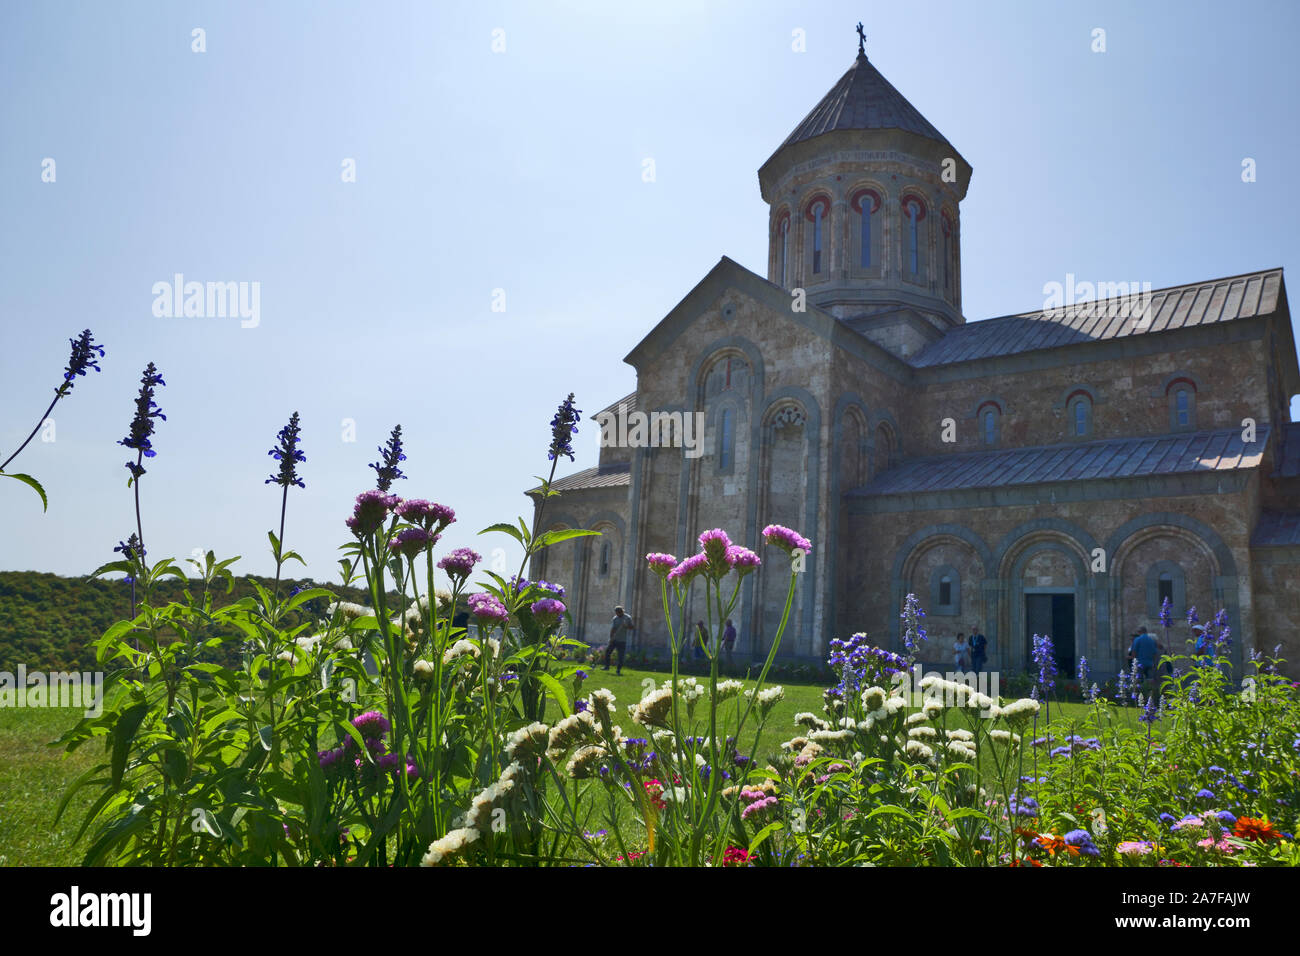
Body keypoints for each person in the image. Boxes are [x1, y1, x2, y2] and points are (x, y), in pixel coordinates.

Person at [603, 606, 634, 675]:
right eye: (616, 613)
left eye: (619, 613)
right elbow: (613, 629)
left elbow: (632, 627)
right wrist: (611, 638)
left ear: (622, 612)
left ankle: (618, 670)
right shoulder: (615, 618)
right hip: (614, 639)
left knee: (620, 656)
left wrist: (626, 626)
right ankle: (607, 666)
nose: (617, 614)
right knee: (608, 652)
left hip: (622, 640)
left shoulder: (627, 618)